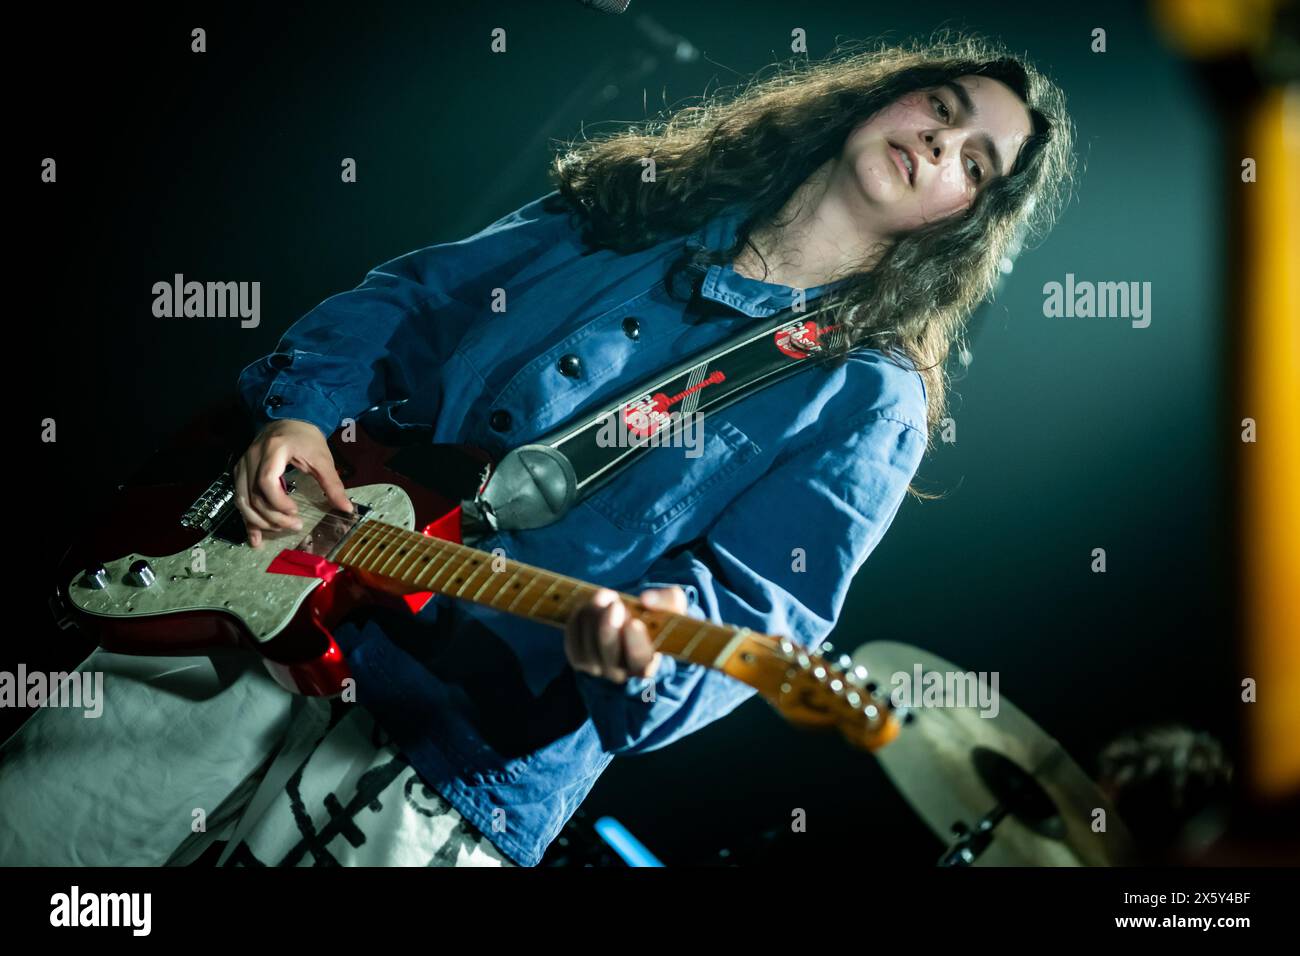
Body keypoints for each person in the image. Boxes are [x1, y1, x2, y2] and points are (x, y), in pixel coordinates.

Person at [0, 34, 1074, 867]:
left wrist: (658, 642)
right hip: (250, 598)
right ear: (877, 97)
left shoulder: (866, 396)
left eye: (973, 161)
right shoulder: (640, 201)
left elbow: (763, 605)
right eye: (940, 108)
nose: (940, 143)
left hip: (449, 763)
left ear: (959, 218)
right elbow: (410, 297)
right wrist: (302, 413)